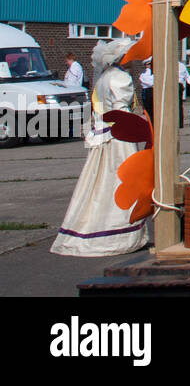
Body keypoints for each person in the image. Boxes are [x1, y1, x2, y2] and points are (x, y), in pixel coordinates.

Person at [51, 38, 149, 256]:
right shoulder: (121, 78)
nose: (134, 59)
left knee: (98, 182)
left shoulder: (104, 77)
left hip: (102, 135)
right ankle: (120, 233)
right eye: (131, 55)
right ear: (123, 57)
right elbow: (121, 111)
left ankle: (91, 226)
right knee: (121, 180)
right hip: (119, 137)